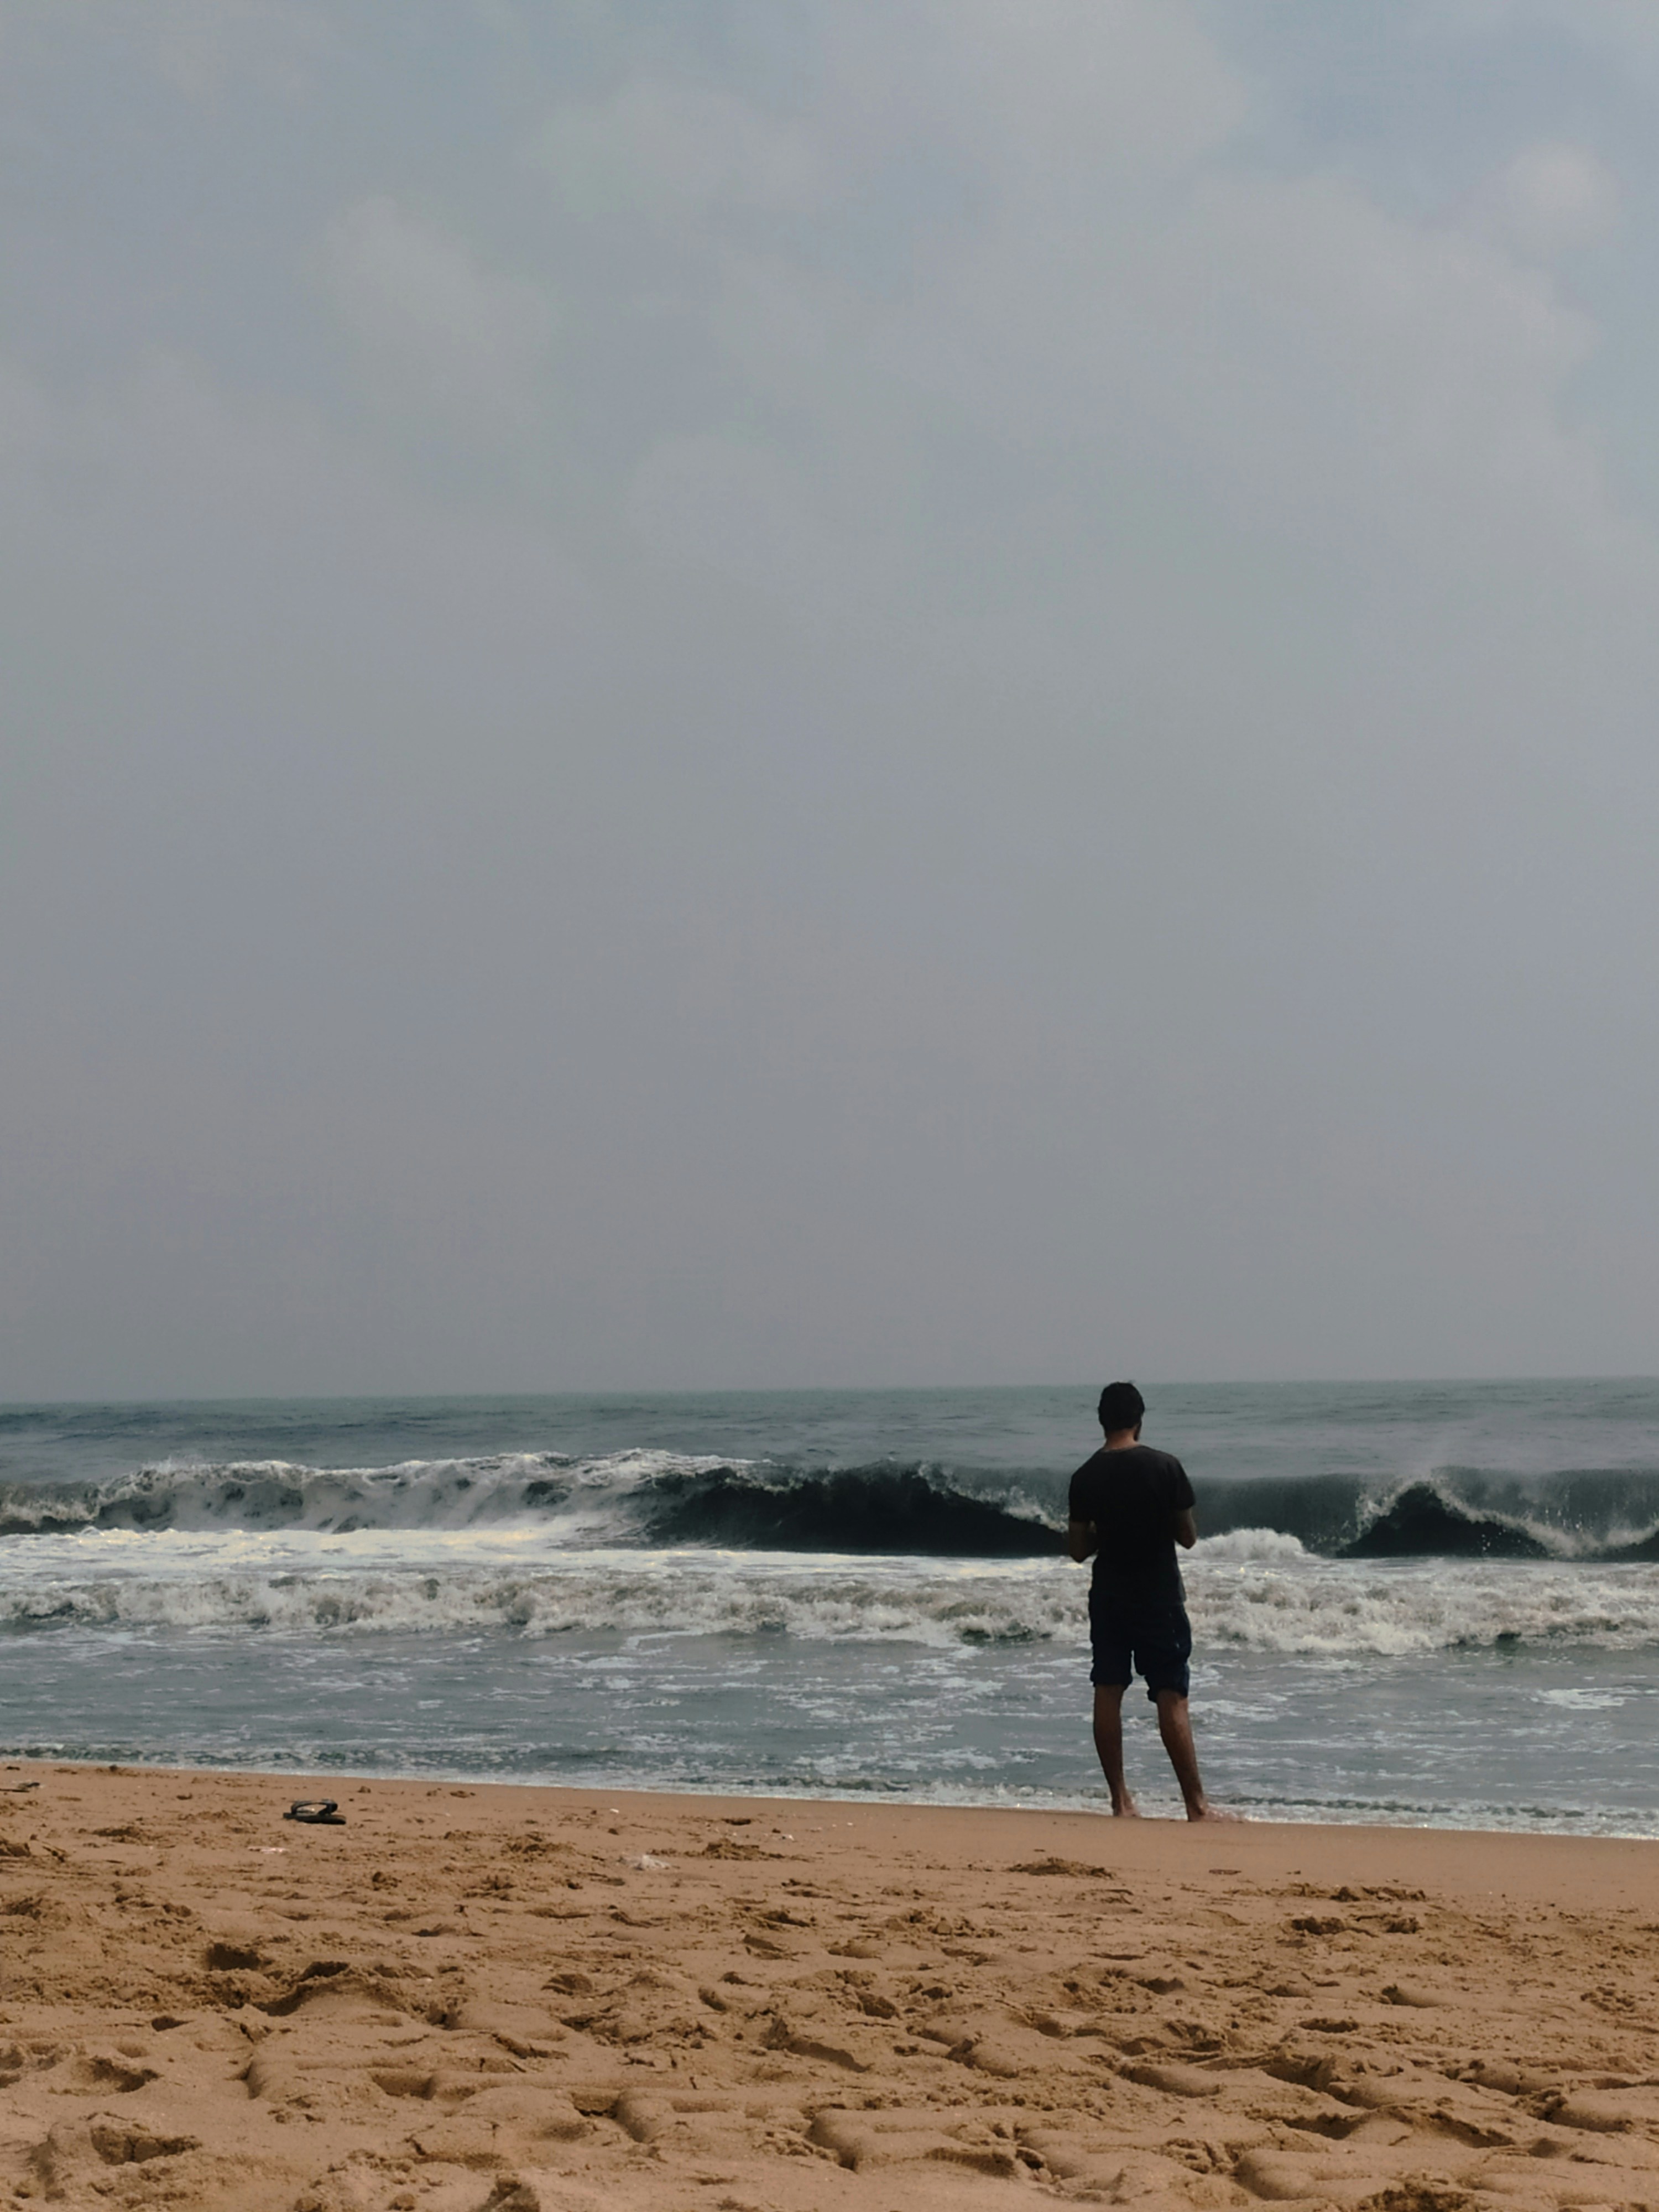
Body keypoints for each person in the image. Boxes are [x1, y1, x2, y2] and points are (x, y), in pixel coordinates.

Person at [1067, 1381, 1235, 1820]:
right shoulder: (1165, 1468)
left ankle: (1121, 1801)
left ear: (1102, 1421)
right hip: (1158, 1594)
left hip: (1108, 1596)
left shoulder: (1084, 1476)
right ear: (1140, 1420)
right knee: (1171, 1695)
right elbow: (1188, 1537)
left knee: (1108, 1690)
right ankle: (1196, 1807)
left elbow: (1079, 1550)